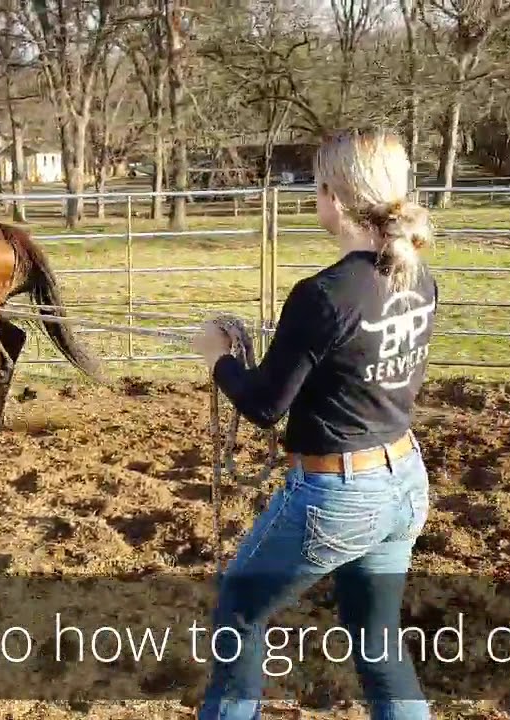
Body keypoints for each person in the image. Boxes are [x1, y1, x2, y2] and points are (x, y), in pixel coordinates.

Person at [190, 130, 437, 720]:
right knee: (377, 639)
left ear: (335, 197)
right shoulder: (418, 277)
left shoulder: (322, 295)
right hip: (403, 479)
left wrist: (218, 359)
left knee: (238, 614)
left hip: (338, 494)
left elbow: (264, 406)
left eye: (318, 186)